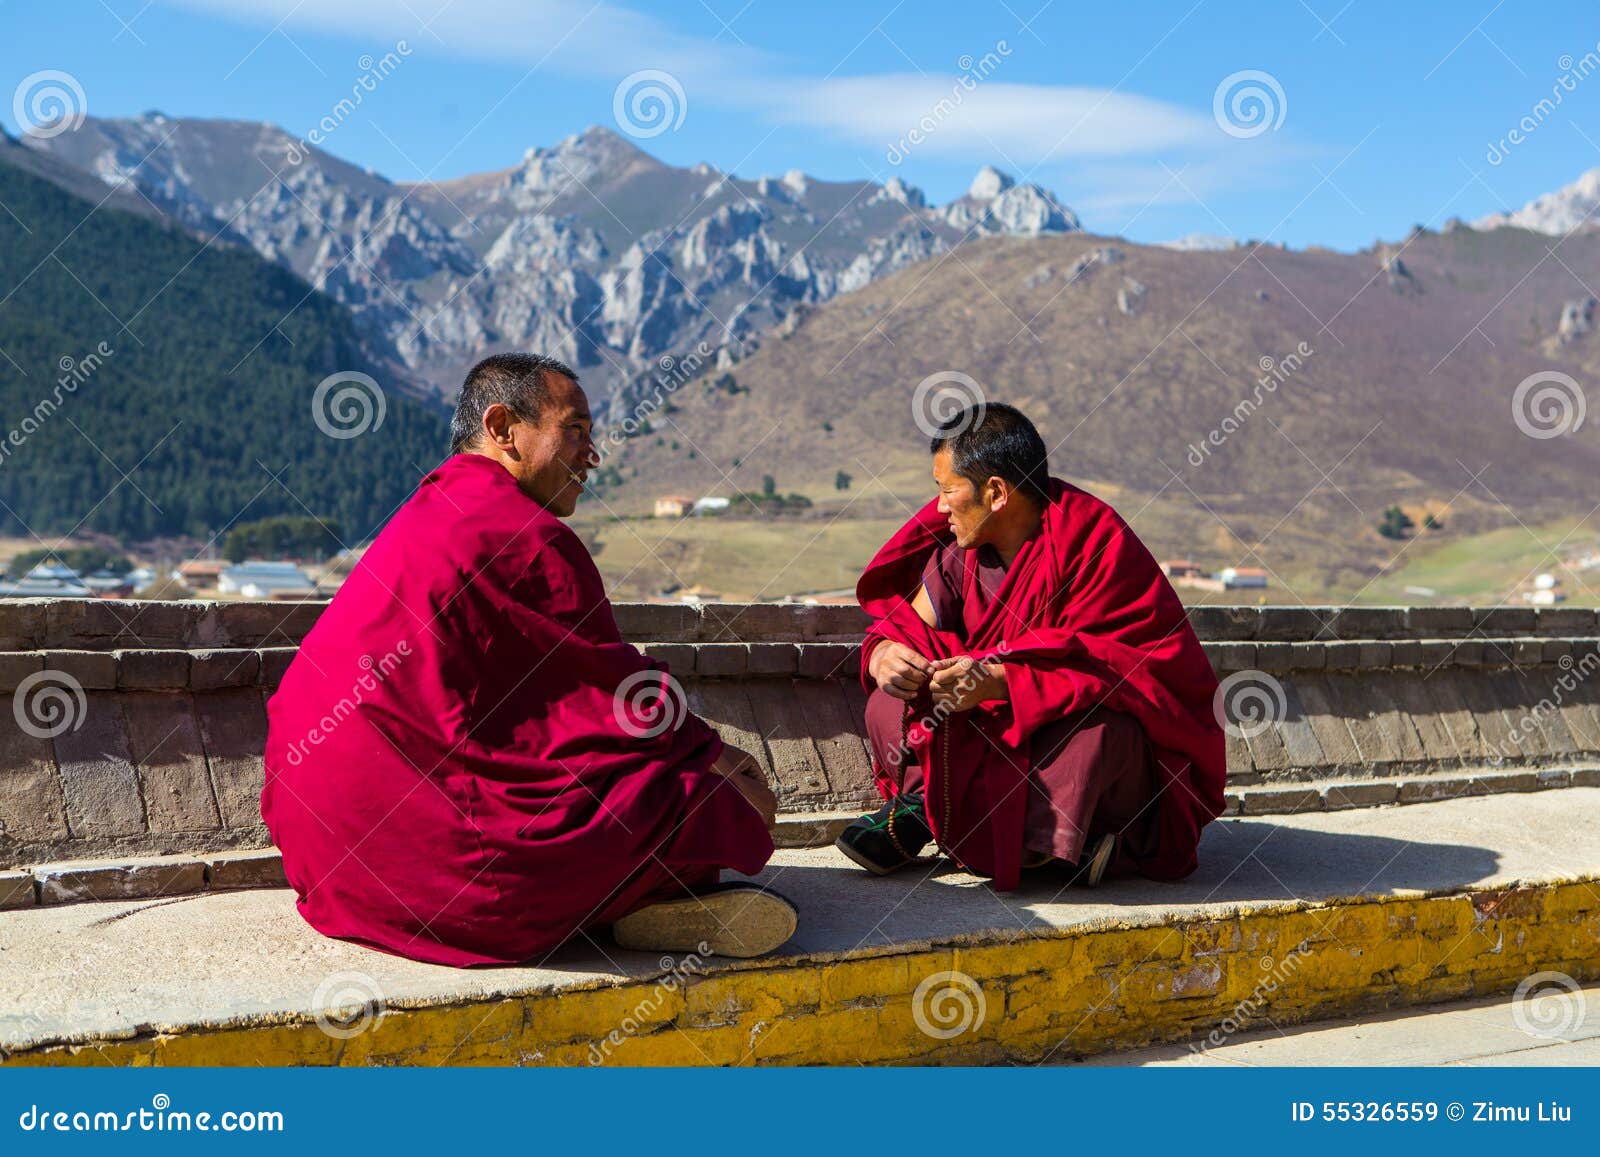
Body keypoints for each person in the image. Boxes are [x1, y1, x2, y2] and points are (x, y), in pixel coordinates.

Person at [262, 353, 795, 967]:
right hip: (441, 880)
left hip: (327, 860)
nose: (591, 455)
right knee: (707, 805)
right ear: (502, 428)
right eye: (575, 431)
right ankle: (632, 905)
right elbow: (622, 699)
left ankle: (628, 903)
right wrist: (714, 756)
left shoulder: (422, 518)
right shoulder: (526, 535)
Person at [836, 402, 1226, 891]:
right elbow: (904, 629)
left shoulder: (1094, 543)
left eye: (947, 490)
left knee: (1098, 738)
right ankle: (981, 825)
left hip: (1058, 726)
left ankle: (996, 830)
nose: (938, 508)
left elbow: (1131, 671)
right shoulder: (961, 555)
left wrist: (1003, 681)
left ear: (996, 492)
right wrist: (884, 657)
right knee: (888, 700)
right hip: (988, 726)